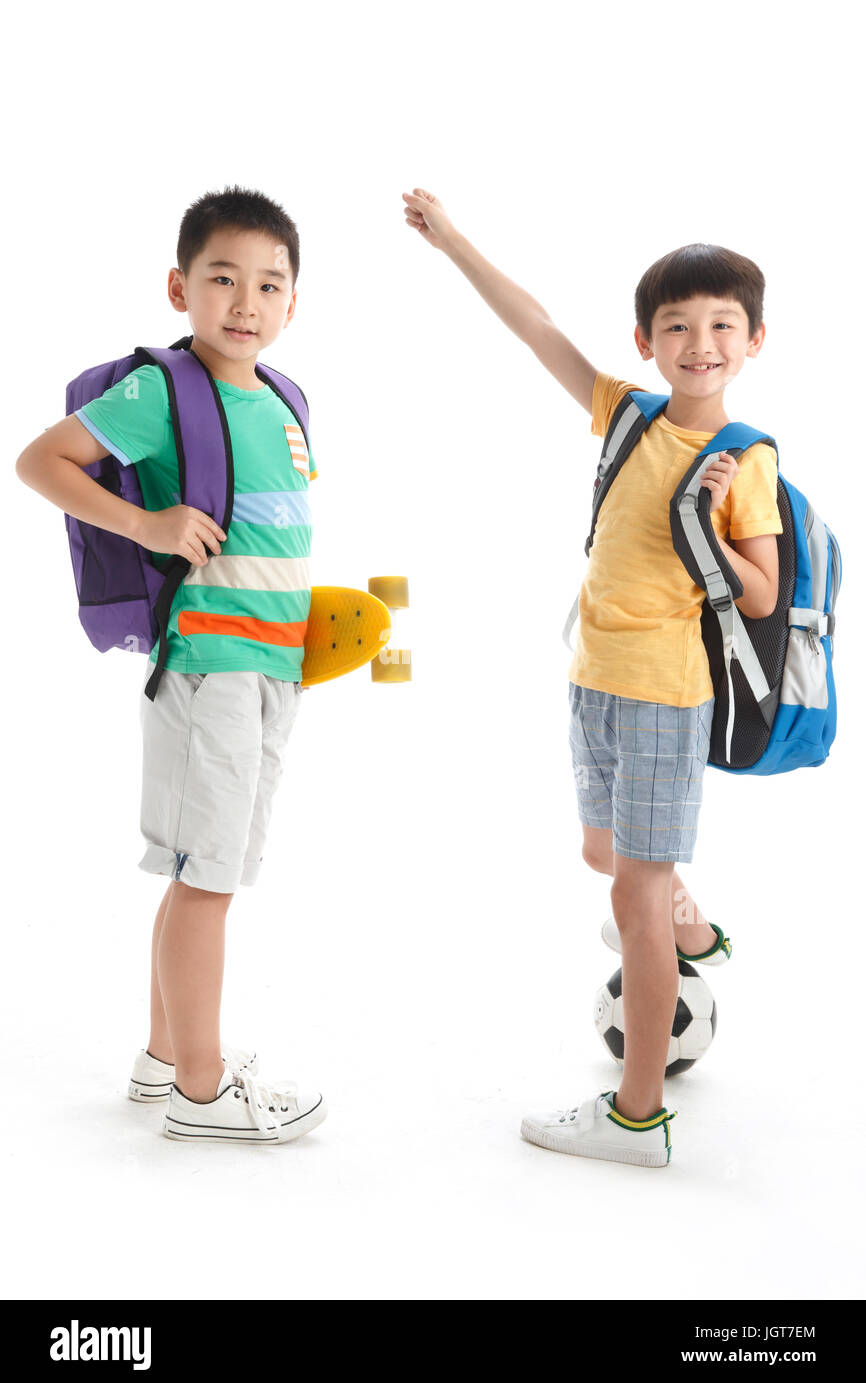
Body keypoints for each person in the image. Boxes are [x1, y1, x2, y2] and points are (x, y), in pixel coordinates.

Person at [402, 188, 781, 1167]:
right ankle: (689, 932)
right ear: (646, 341)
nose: (698, 343)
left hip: (662, 694)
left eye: (719, 327)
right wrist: (452, 243)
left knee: (633, 902)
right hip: (592, 681)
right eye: (676, 327)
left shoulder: (742, 459)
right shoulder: (627, 415)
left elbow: (757, 595)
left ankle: (634, 1115)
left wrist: (705, 529)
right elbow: (538, 331)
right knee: (598, 854)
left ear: (752, 341)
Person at [16, 185, 327, 1145]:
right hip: (207, 671)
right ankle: (202, 1088)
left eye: (269, 284)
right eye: (223, 278)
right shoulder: (161, 389)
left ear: (292, 302)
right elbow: (40, 462)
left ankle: (163, 1063)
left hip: (270, 669)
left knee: (206, 870)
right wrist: (143, 522)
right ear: (178, 287)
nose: (246, 301)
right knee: (211, 880)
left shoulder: (284, 400)